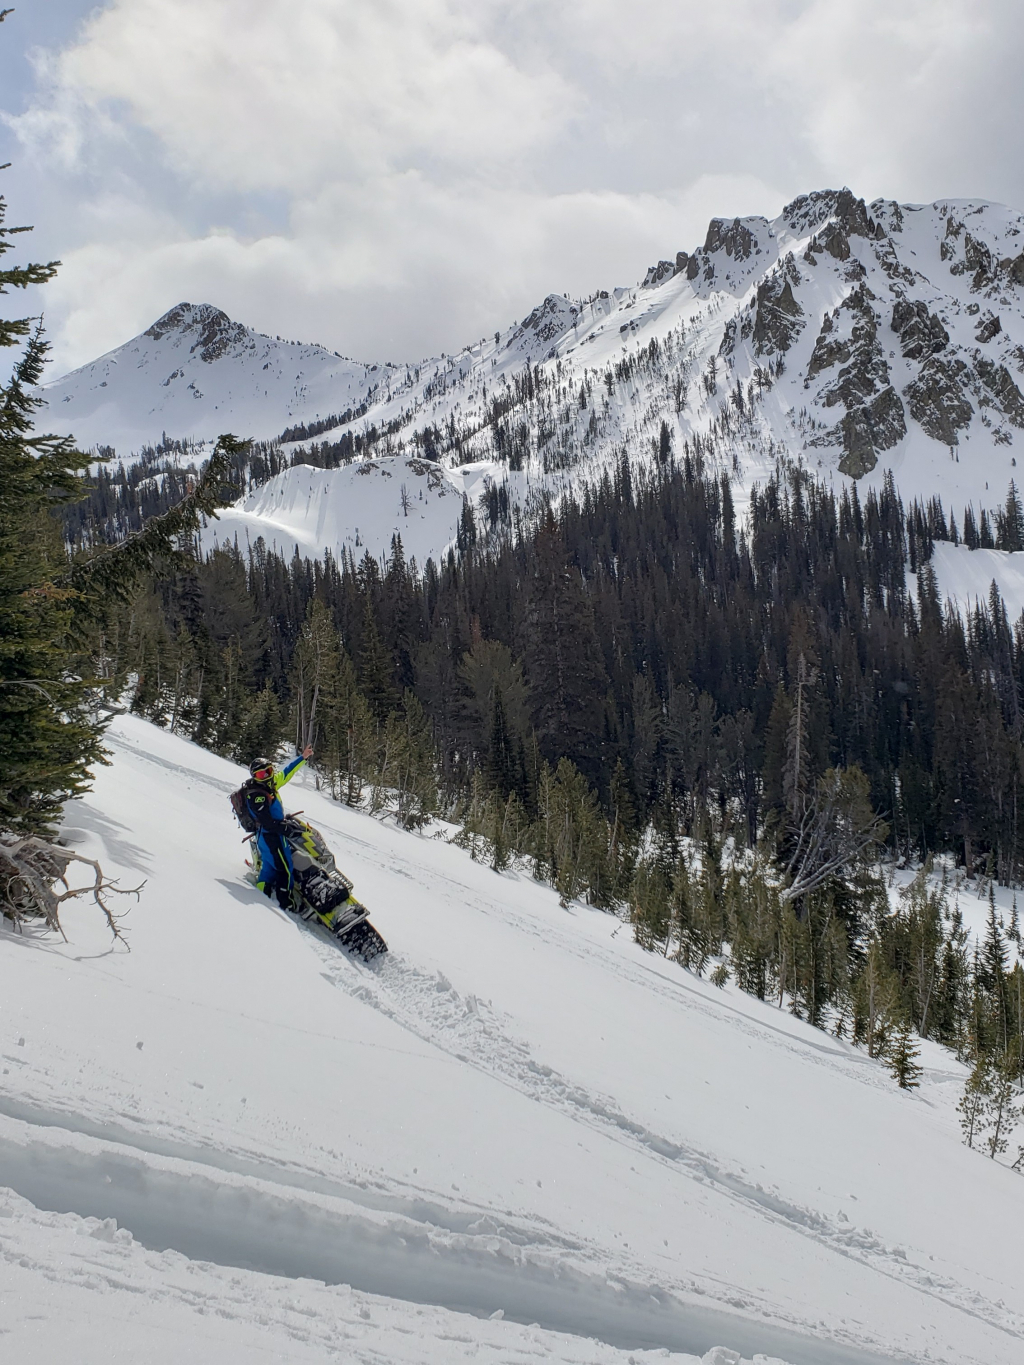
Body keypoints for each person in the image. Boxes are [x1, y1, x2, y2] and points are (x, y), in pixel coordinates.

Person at [245, 746, 313, 910]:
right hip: (270, 835)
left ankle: (262, 894)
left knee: (269, 867)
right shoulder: (255, 794)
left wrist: (302, 758)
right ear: (255, 776)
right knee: (285, 868)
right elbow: (267, 821)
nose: (267, 776)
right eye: (262, 774)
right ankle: (286, 903)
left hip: (270, 833)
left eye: (268, 771)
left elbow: (287, 772)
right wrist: (285, 828)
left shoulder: (272, 784)